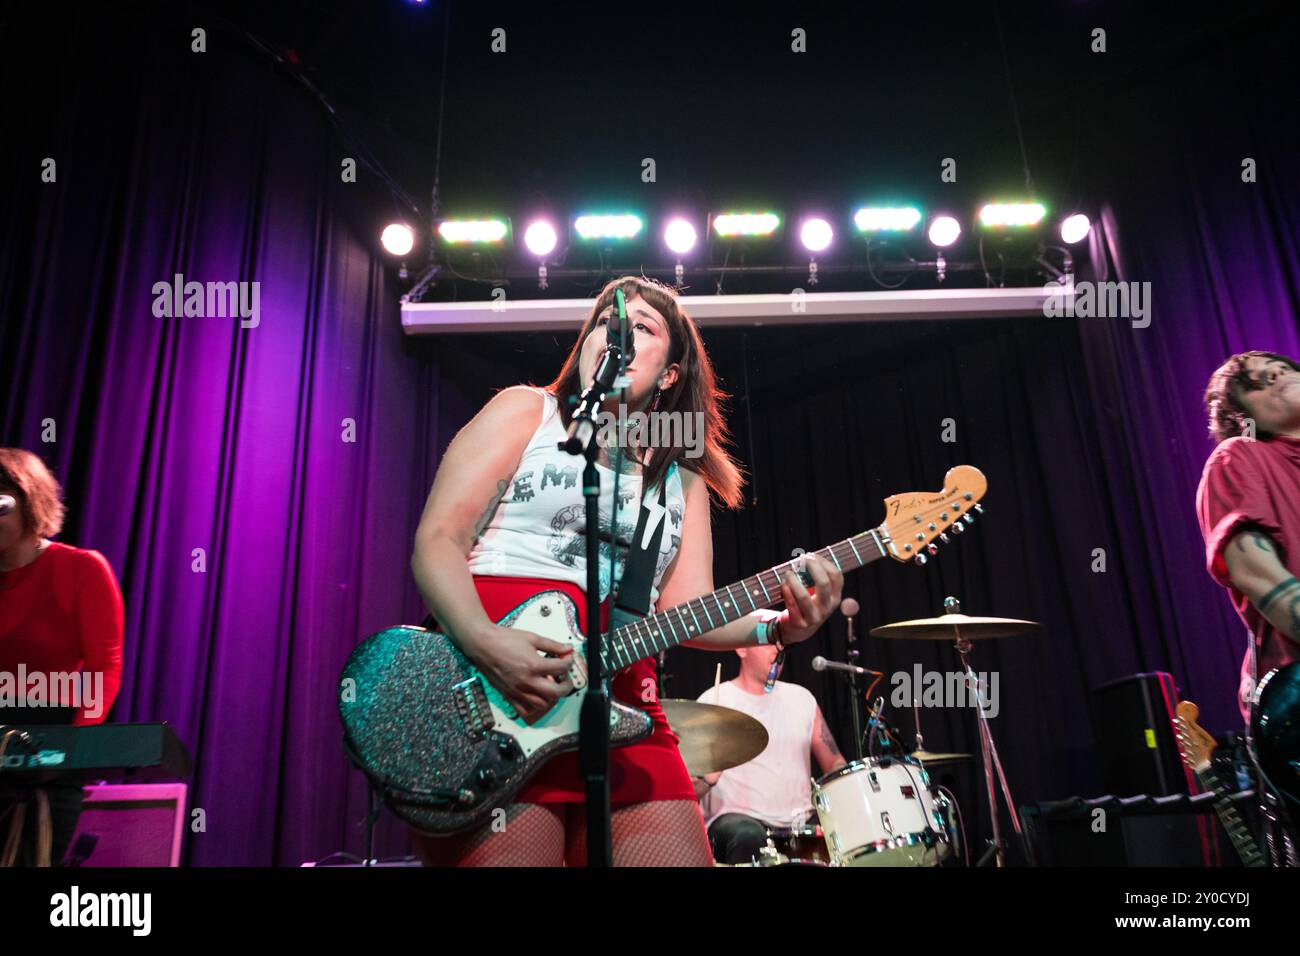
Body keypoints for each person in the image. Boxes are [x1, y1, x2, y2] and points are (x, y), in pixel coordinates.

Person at [408, 275, 844, 866]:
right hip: (493, 691)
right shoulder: (525, 411)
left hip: (624, 700)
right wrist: (486, 643)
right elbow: (437, 541)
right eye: (607, 324)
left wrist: (779, 627)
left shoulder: (678, 476)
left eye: (643, 327)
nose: (619, 333)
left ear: (669, 374)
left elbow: (688, 612)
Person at [0, 448, 124, 865]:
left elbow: (105, 667)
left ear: (30, 500)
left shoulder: (81, 569)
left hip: (49, 756)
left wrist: (73, 749)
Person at [1196, 351, 1300, 723]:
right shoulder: (1238, 457)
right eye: (1257, 381)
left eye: (1284, 369)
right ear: (1243, 419)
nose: (1277, 375)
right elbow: (1258, 574)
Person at [694, 642, 847, 864]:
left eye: (780, 642)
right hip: (736, 823)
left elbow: (834, 764)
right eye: (767, 642)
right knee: (747, 835)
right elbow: (686, 792)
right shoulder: (714, 701)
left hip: (799, 821)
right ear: (741, 649)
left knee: (841, 831)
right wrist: (706, 780)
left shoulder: (802, 699)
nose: (777, 650)